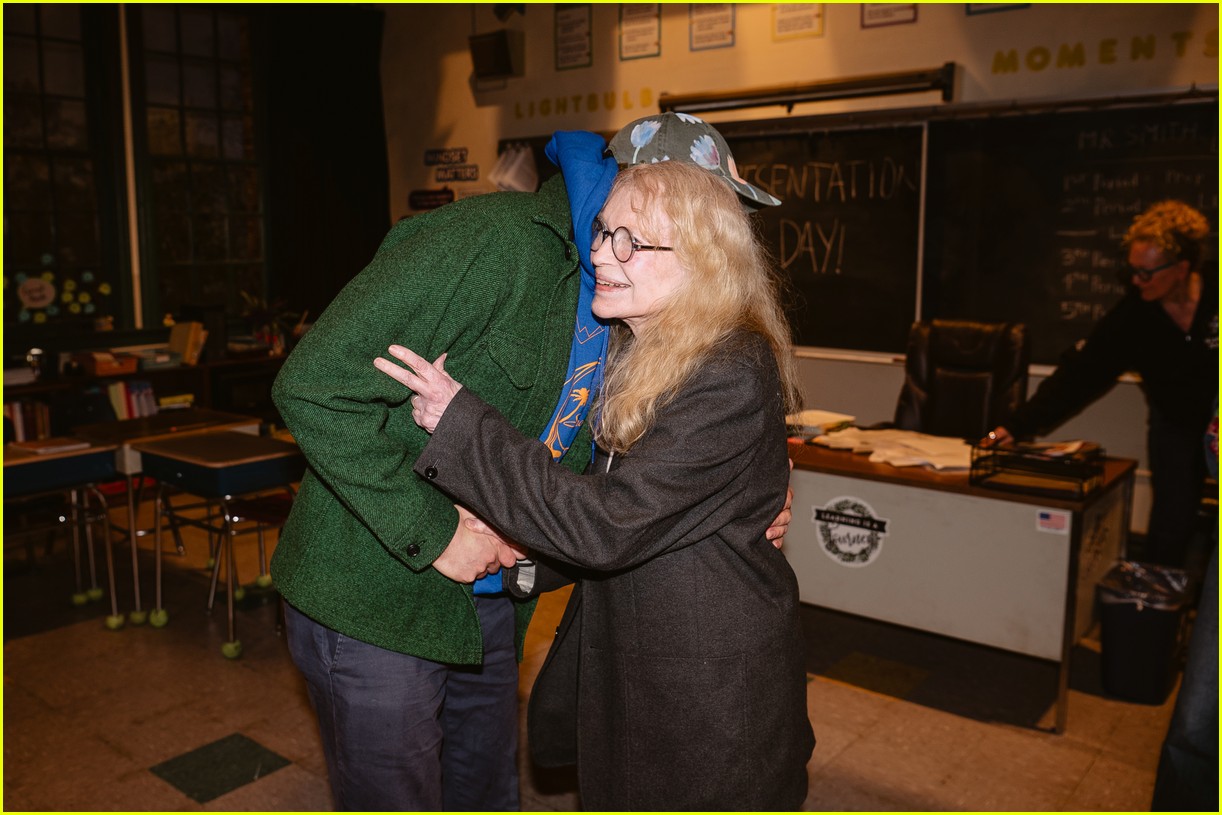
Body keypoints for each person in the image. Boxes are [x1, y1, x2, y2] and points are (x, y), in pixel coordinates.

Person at [269, 113, 792, 810]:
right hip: (377, 594)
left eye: (632, 237)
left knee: (487, 794)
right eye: (610, 230)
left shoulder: (654, 322)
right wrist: (440, 533)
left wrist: (751, 494)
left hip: (500, 600)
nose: (609, 252)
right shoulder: (495, 243)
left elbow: (613, 491)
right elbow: (312, 382)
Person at [983, 200, 1218, 568]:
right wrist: (1011, 428)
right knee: (1170, 524)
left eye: (1146, 273)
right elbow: (1080, 375)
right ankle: (1153, 609)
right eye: (1132, 272)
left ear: (1183, 268)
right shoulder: (1134, 316)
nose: (1137, 281)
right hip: (1176, 426)